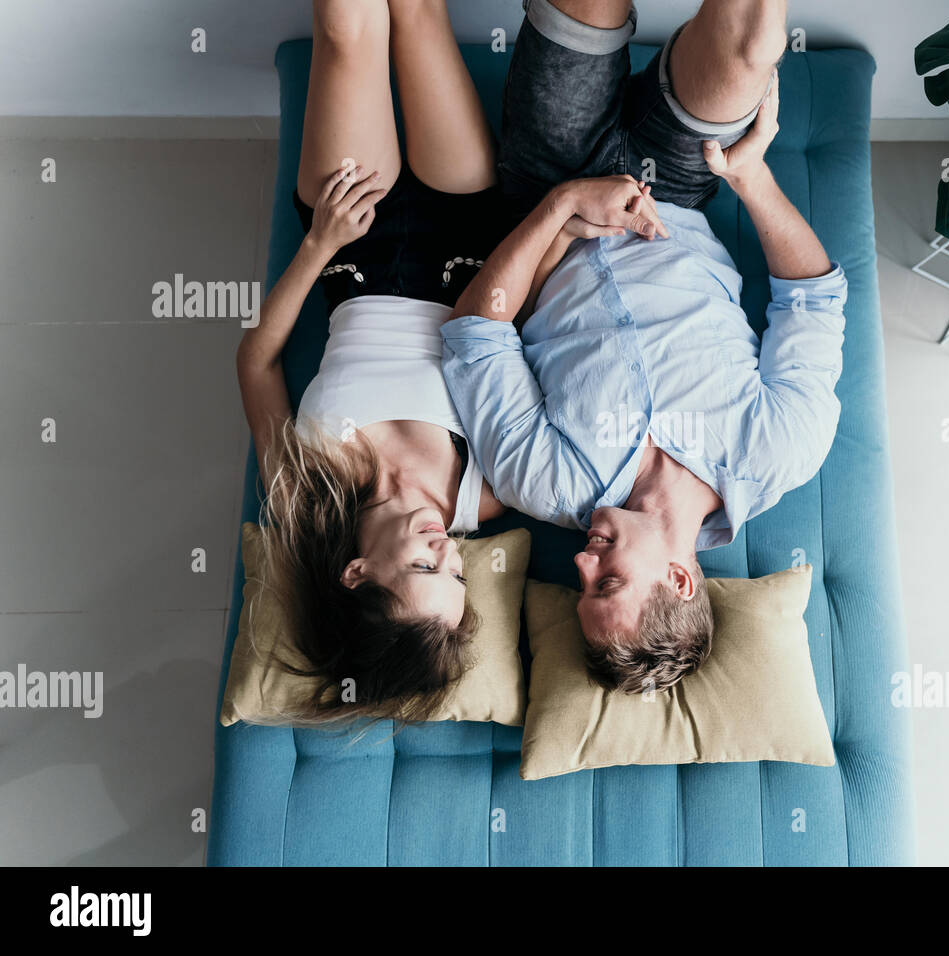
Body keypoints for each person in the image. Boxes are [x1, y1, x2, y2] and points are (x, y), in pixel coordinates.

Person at [234, 0, 662, 720]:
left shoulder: (302, 493)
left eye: (425, 567)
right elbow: (511, 333)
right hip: (465, 241)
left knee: (346, 27)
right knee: (419, 13)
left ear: (357, 573)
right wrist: (563, 228)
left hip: (351, 247)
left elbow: (257, 363)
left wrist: (317, 246)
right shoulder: (484, 493)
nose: (448, 549)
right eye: (456, 572)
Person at [441, 0, 847, 694]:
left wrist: (564, 204)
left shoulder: (541, 483)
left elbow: (476, 330)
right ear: (681, 576)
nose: (581, 566)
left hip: (553, 183)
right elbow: (813, 299)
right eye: (609, 583)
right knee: (754, 41)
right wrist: (751, 178)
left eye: (581, 589)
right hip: (687, 183)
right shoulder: (779, 450)